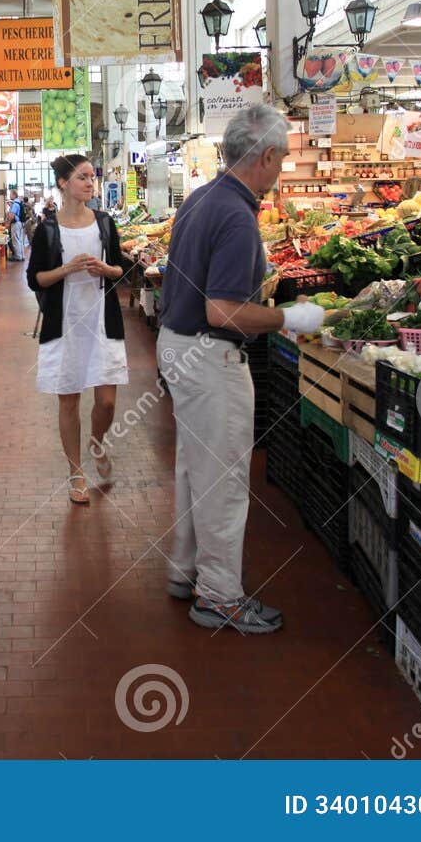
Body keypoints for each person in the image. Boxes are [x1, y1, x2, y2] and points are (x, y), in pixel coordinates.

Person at [157, 103, 326, 634]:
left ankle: (185, 571)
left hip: (177, 344)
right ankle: (219, 596)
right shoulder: (236, 213)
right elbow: (222, 309)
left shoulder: (205, 197)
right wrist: (289, 317)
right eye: (282, 160)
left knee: (194, 468)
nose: (280, 171)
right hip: (210, 355)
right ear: (269, 155)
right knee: (224, 479)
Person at [26, 154, 131, 504]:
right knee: (68, 399)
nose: (90, 183)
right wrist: (66, 269)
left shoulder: (104, 223)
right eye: (82, 177)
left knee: (106, 400)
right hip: (65, 323)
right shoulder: (48, 229)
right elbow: (35, 279)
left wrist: (107, 269)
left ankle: (97, 441)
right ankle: (76, 471)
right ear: (63, 183)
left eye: (91, 177)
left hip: (103, 320)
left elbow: (122, 269)